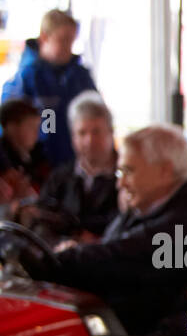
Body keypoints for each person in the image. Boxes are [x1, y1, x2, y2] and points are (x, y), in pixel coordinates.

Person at [35, 124, 187, 336]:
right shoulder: (150, 208)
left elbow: (118, 258)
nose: (120, 183)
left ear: (165, 170)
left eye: (129, 171)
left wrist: (48, 261)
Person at [2, 9, 97, 168]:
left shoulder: (81, 77)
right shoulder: (26, 79)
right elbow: (8, 130)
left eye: (71, 41)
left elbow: (97, 114)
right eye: (63, 40)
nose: (68, 48)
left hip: (78, 164)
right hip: (38, 167)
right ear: (44, 38)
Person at [21, 91, 118, 241]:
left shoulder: (127, 178)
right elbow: (41, 218)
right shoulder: (59, 176)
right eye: (82, 133)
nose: (89, 141)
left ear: (111, 133)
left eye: (96, 132)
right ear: (73, 137)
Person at [0, 98, 50, 195]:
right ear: (11, 128)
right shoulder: (4, 164)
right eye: (30, 127)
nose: (36, 133)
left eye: (37, 127)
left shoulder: (38, 155)